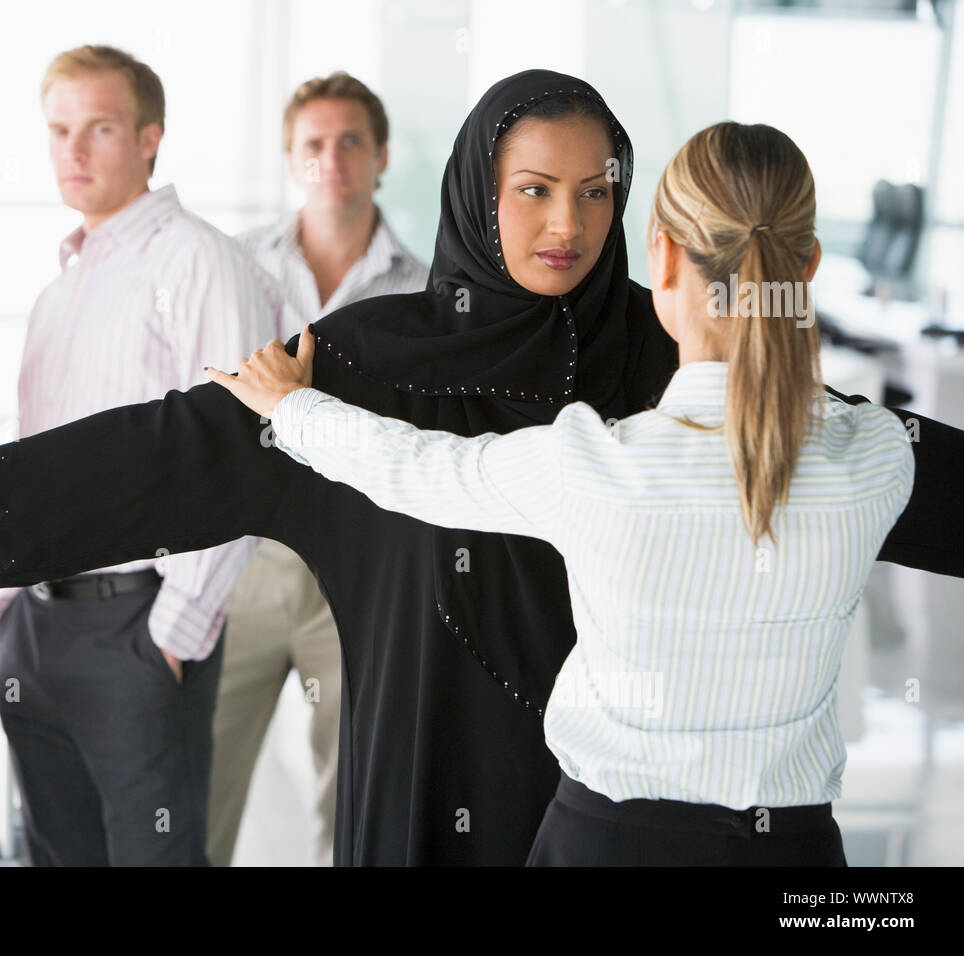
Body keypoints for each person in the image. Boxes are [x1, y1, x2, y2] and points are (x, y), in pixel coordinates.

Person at [0, 71, 964, 866]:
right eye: (534, 190)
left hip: (613, 813)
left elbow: (896, 469)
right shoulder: (362, 360)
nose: (568, 222)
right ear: (475, 192)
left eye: (598, 190)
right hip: (430, 772)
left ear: (639, 214)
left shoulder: (697, 359)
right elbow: (138, 464)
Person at [209, 122, 914, 866]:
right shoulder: (877, 458)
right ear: (807, 268)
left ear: (664, 257)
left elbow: (418, 466)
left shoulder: (600, 465)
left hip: (611, 845)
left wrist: (291, 407)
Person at [0, 45, 282, 867]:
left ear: (149, 138)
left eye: (100, 128)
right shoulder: (56, 292)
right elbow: (32, 463)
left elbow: (245, 458)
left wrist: (172, 637)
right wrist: (10, 613)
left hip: (138, 632)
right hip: (39, 631)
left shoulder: (202, 264)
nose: (73, 152)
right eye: (58, 131)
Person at [211, 72, 428, 867]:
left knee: (356, 806)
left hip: (362, 574)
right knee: (202, 790)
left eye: (350, 142)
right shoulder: (233, 267)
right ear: (289, 157)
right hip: (246, 565)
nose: (331, 158)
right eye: (314, 143)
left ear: (381, 157)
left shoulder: (429, 287)